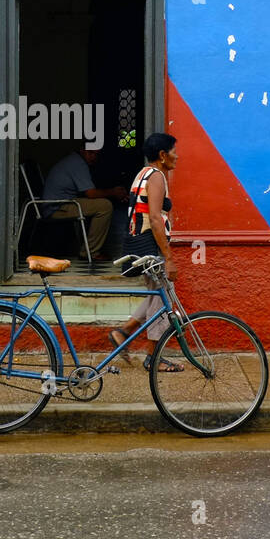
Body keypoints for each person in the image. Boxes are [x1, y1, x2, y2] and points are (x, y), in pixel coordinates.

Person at [107, 132, 184, 371]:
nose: (176, 156)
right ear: (162, 155)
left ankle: (123, 332)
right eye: (173, 151)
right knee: (162, 299)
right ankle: (153, 358)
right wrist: (169, 257)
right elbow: (154, 217)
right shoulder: (158, 177)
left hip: (140, 243)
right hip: (150, 246)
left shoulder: (143, 174)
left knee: (156, 295)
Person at [40, 147, 126, 259]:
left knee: (99, 204)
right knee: (104, 206)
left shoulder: (75, 160)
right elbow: (91, 193)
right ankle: (90, 252)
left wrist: (114, 193)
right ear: (82, 151)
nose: (93, 157)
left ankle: (88, 248)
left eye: (96, 154)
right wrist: (113, 192)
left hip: (61, 203)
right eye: (90, 153)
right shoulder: (77, 163)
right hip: (56, 206)